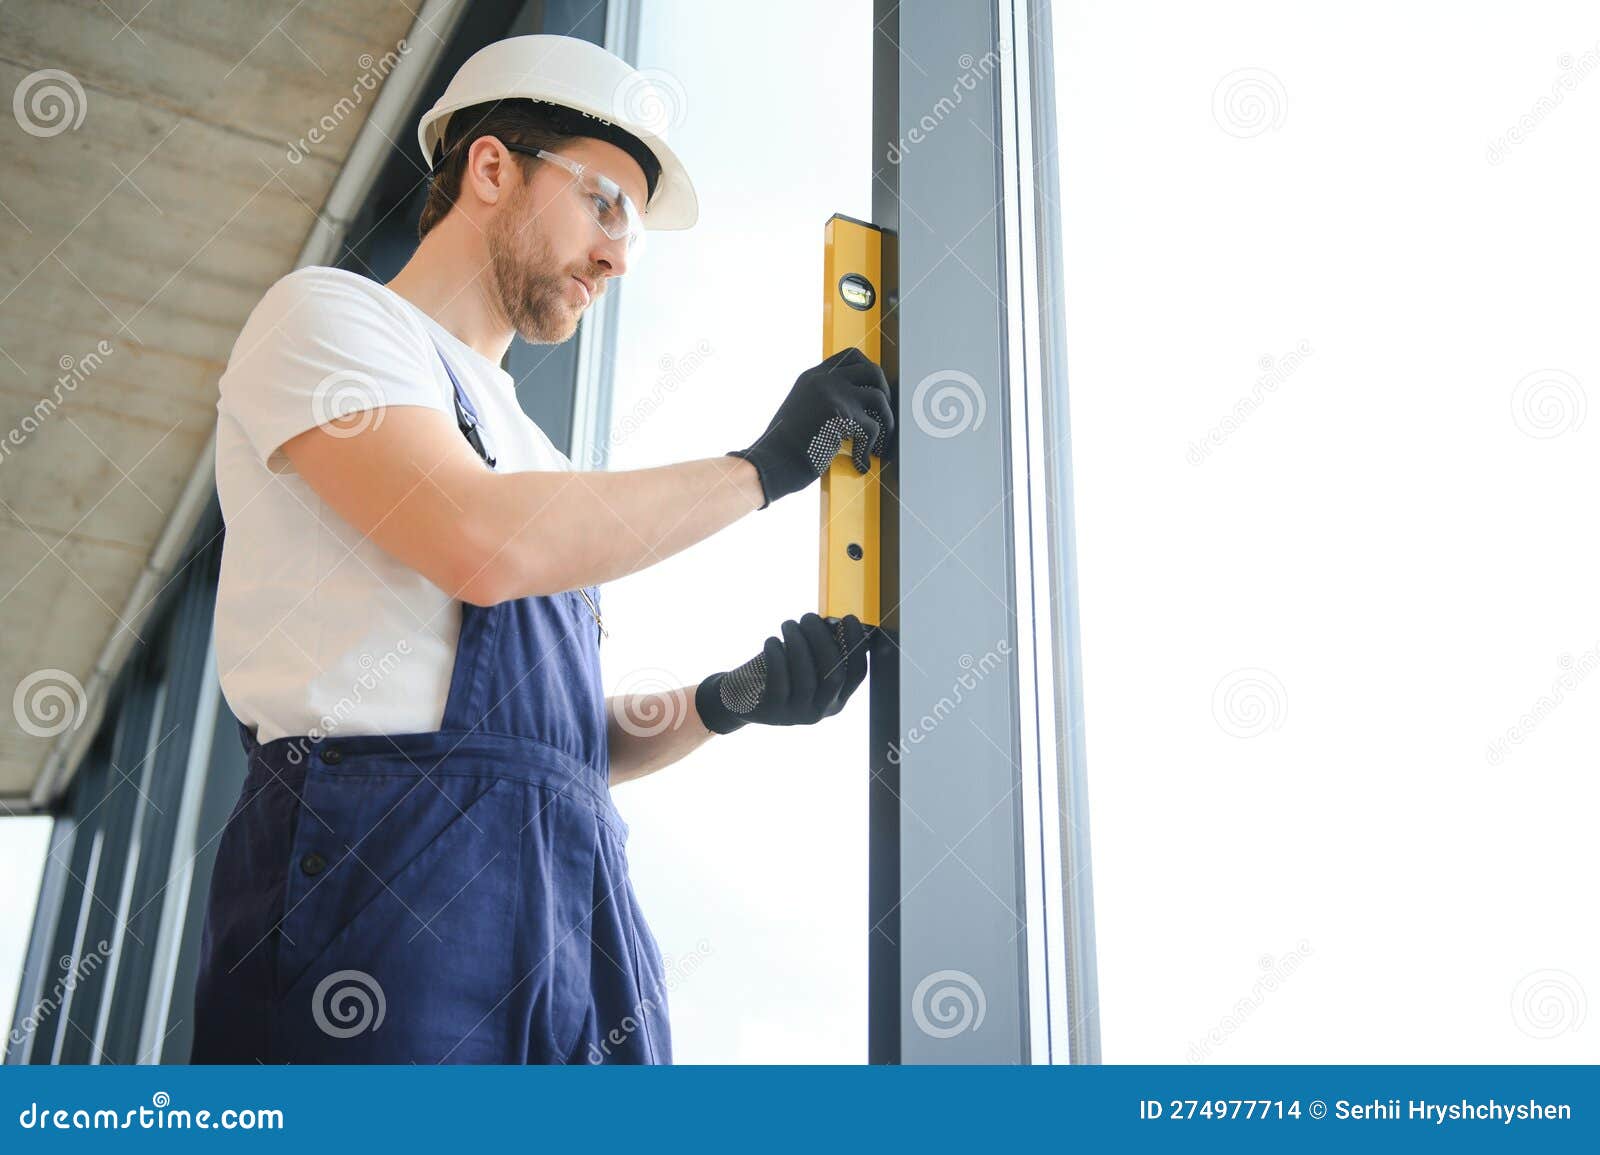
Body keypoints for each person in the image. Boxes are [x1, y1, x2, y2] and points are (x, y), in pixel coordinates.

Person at [188, 34, 893, 1064]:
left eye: (635, 236)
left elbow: (544, 746)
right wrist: (764, 468)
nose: (616, 255)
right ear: (489, 167)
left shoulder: (537, 450)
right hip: (376, 885)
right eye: (604, 202)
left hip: (572, 904)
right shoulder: (330, 321)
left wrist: (720, 702)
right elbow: (475, 543)